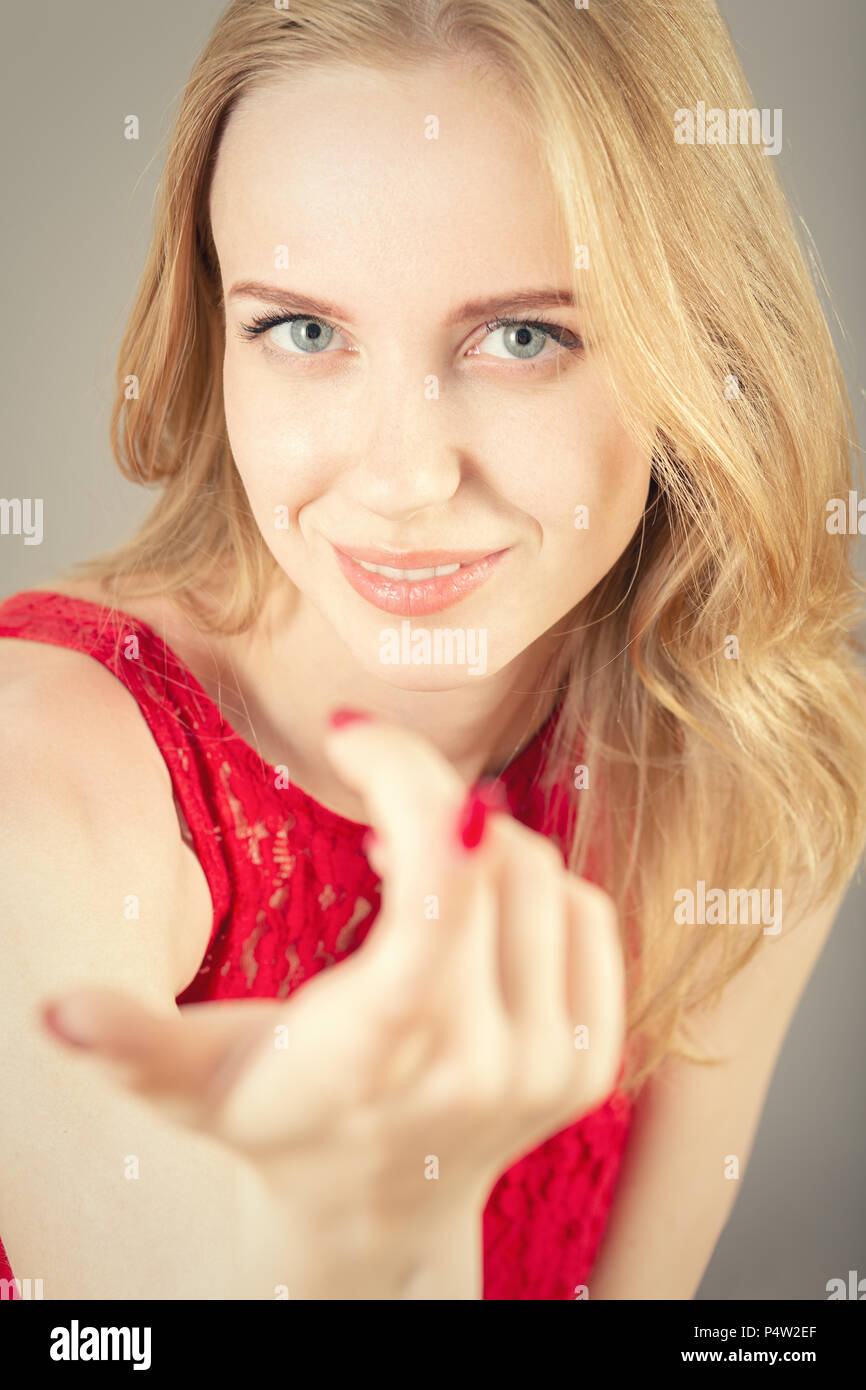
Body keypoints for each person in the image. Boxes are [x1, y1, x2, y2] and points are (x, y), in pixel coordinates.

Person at [1, 0, 864, 1301]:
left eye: (523, 337)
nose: (402, 480)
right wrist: (376, 1231)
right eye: (302, 330)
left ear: (704, 347)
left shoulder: (761, 756)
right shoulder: (37, 782)